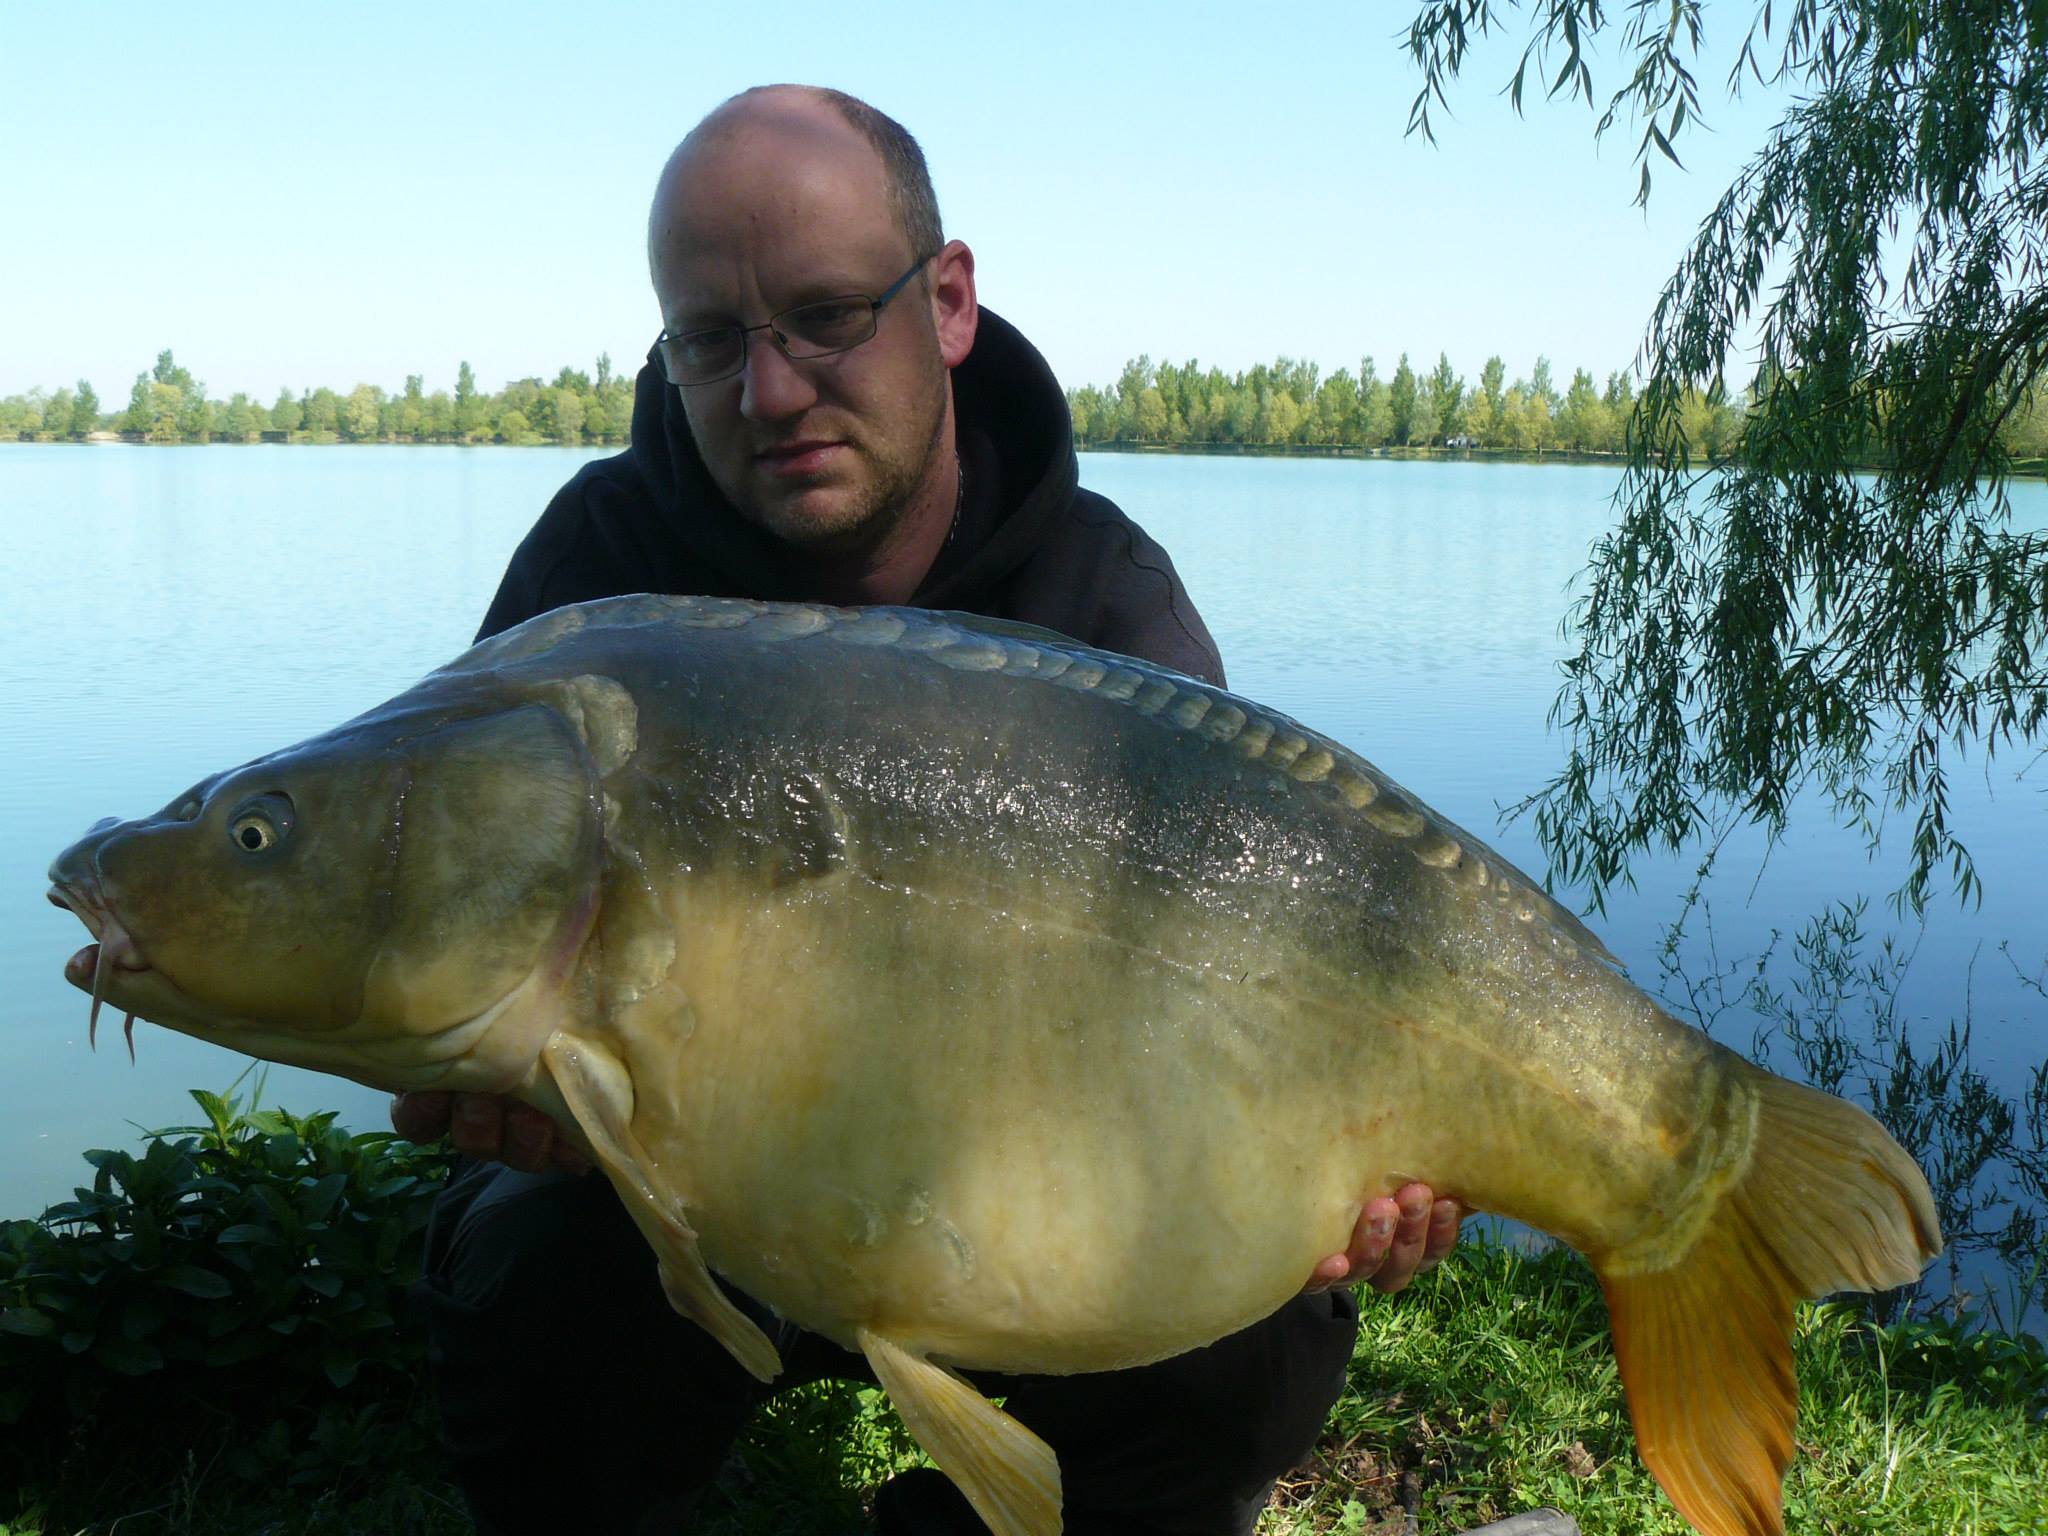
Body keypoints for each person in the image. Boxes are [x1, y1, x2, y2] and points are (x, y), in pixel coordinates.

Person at [396, 84, 1462, 1536]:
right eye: (712, 341)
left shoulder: (1105, 603)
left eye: (827, 315)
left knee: (1256, 1341)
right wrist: (498, 1082)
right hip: (686, 1195)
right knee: (524, 1284)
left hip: (1017, 1216)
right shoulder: (598, 574)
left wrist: (1354, 1170)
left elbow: (1241, 977)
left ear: (947, 301)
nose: (770, 393)